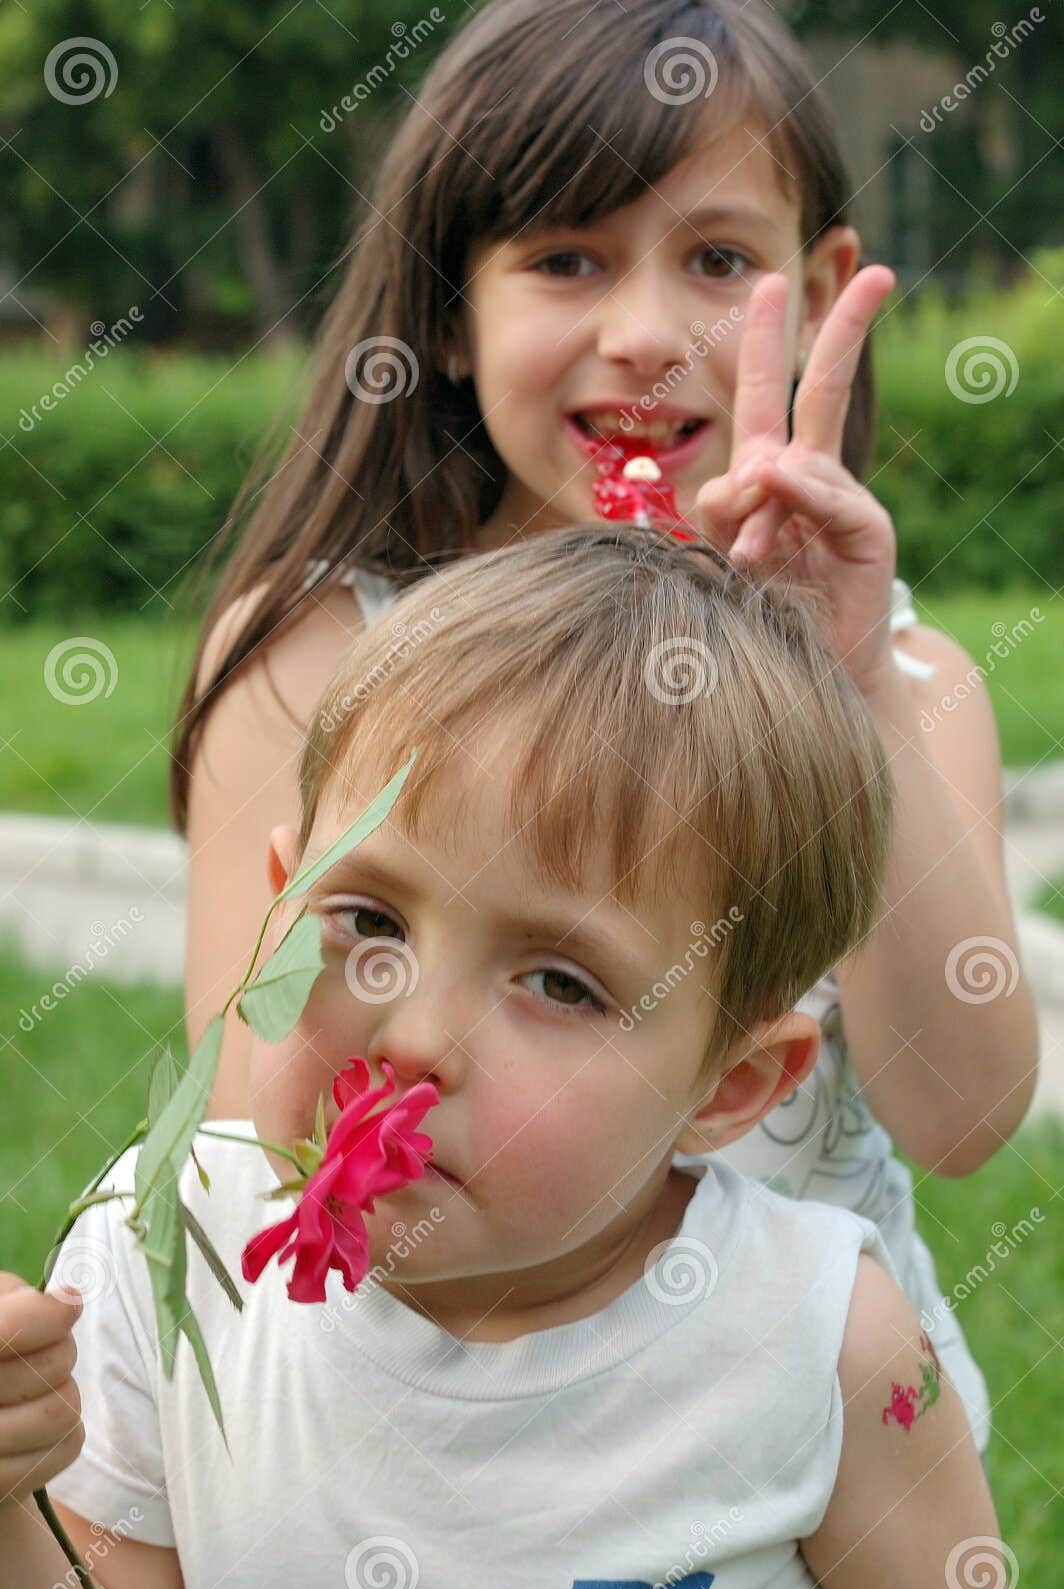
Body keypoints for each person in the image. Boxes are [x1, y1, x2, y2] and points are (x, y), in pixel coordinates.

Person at [171, 0, 1037, 1457]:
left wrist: (856, 694)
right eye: (566, 259)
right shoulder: (319, 651)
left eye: (717, 260)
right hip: (415, 1424)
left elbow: (961, 1114)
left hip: (795, 1442)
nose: (644, 335)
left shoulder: (908, 677)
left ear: (821, 290)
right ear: (448, 311)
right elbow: (248, 1120)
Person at [4, 529, 999, 1589]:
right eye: (369, 918)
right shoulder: (166, 1257)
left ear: (730, 1086)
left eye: (561, 984)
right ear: (280, 894)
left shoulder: (829, 1347)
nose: (416, 1033)